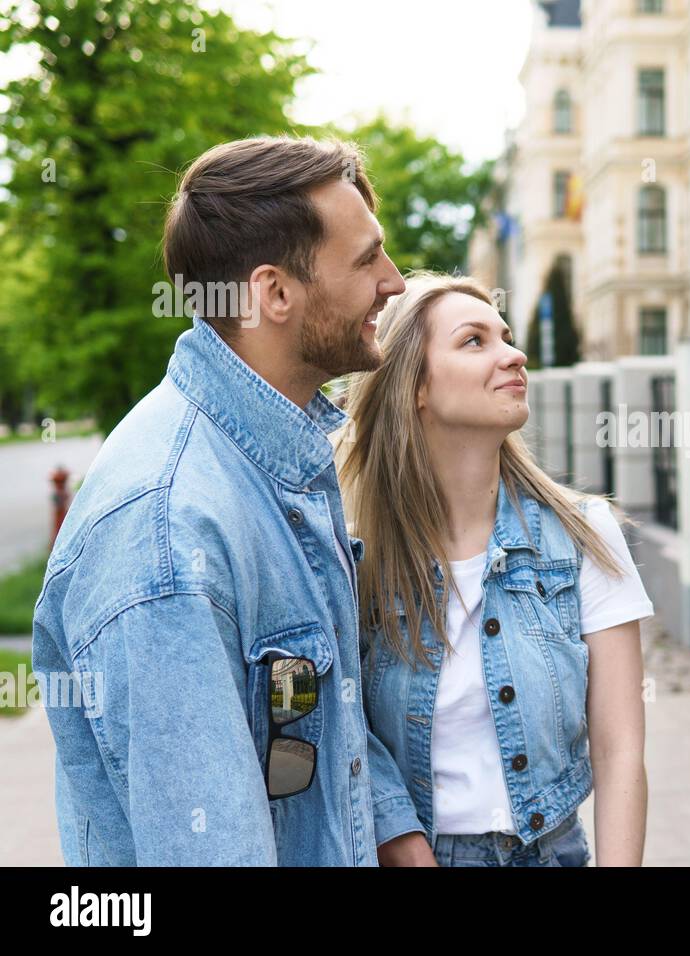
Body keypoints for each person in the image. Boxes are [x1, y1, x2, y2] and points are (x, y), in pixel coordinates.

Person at [32, 136, 408, 864]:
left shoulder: (272, 460)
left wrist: (391, 824)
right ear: (273, 293)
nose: (392, 282)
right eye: (366, 259)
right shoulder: (169, 528)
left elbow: (312, 744)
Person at [339, 274, 651, 867]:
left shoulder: (583, 533)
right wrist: (399, 839)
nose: (516, 355)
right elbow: (342, 731)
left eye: (506, 336)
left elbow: (620, 751)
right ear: (416, 386)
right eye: (475, 341)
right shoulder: (356, 553)